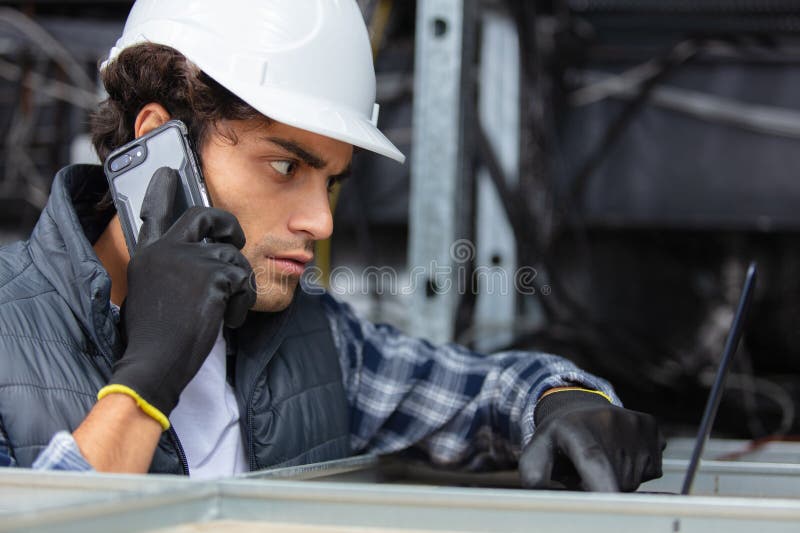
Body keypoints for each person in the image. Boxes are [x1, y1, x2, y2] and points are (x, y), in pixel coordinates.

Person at [0, 0, 663, 491]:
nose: (320, 221)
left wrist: (567, 402)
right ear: (157, 145)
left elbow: (490, 390)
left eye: (332, 179)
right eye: (286, 166)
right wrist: (147, 377)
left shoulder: (309, 341)